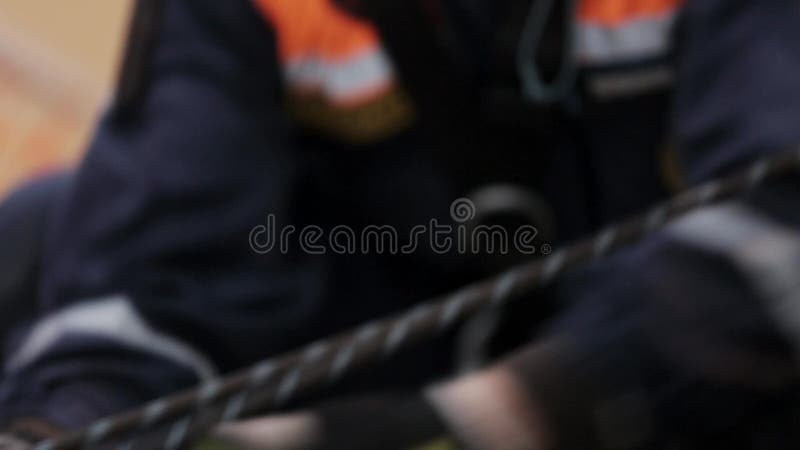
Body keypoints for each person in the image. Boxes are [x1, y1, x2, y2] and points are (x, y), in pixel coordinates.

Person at [1, 0, 800, 448]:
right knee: (37, 238)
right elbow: (142, 293)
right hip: (376, 367)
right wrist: (66, 431)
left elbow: (778, 227)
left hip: (667, 390)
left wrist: (487, 420)